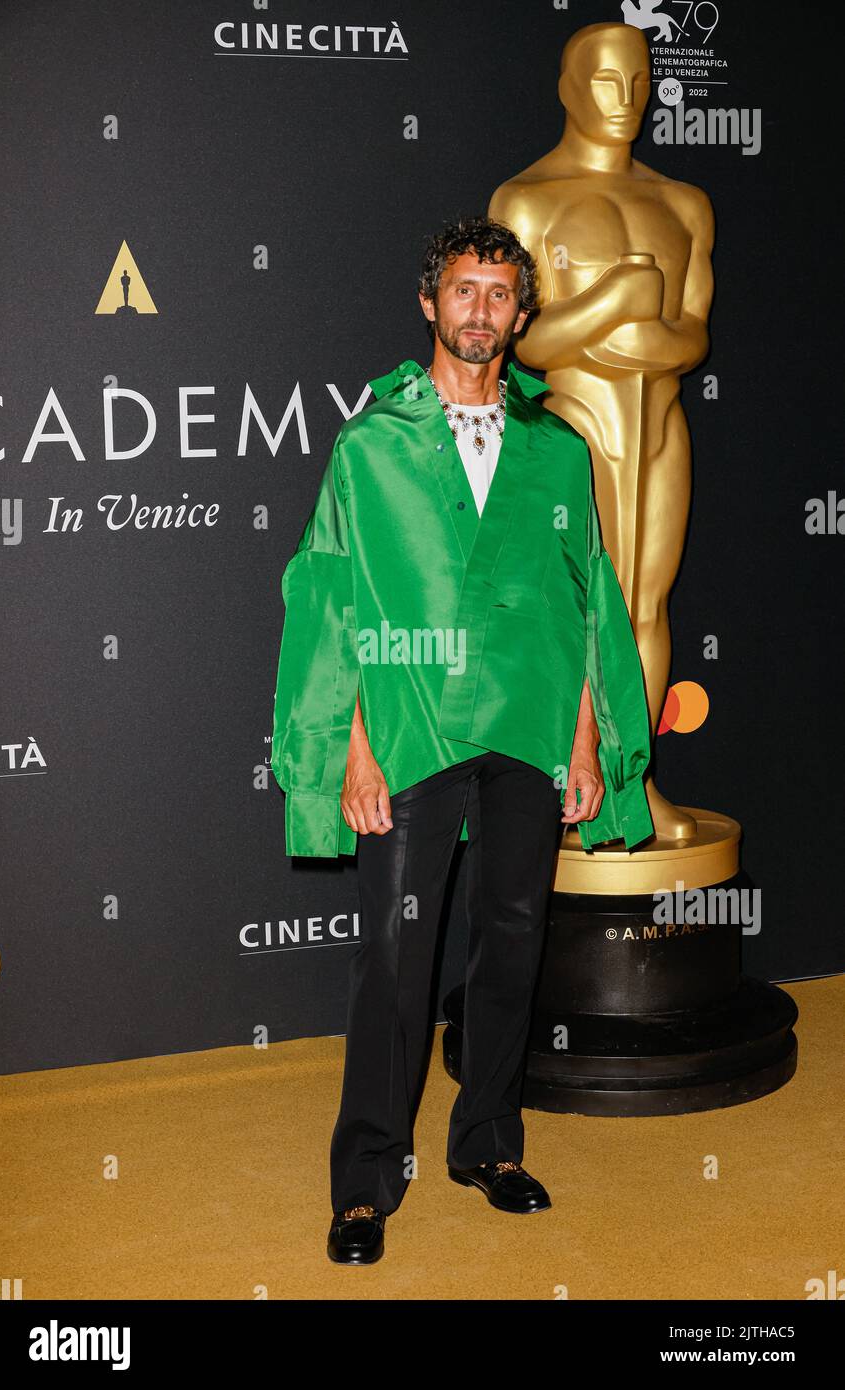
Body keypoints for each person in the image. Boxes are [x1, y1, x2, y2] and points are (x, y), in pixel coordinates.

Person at [270, 215, 653, 1265]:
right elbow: (336, 600)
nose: (480, 310)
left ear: (520, 314)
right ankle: (363, 1182)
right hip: (411, 733)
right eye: (463, 290)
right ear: (428, 304)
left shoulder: (557, 449)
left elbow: (584, 608)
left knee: (511, 945)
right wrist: (354, 747)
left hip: (528, 731)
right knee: (394, 961)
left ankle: (486, 1141)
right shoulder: (372, 445)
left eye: (498, 293)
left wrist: (582, 743)